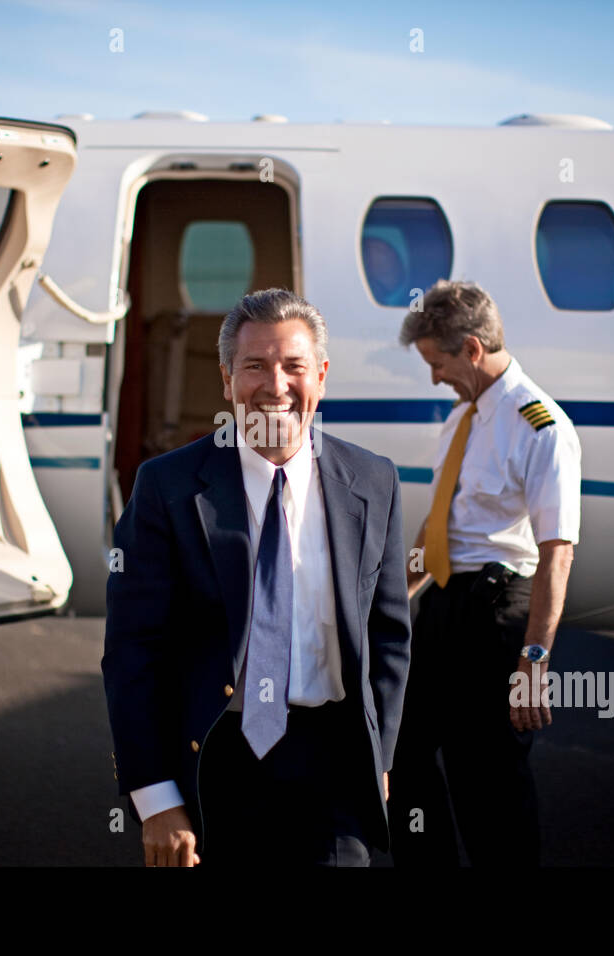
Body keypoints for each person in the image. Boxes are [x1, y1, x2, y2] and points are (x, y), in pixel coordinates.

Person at [102, 288, 412, 867]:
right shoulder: (167, 488)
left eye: (294, 365)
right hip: (216, 762)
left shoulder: (374, 482)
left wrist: (382, 757)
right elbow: (133, 650)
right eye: (254, 366)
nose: (276, 385)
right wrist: (155, 798)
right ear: (226, 379)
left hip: (334, 765)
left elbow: (389, 636)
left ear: (321, 376)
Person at [389, 279, 581, 868]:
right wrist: (392, 599)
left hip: (497, 614)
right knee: (398, 749)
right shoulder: (462, 419)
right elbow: (438, 526)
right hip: (444, 606)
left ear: (472, 349)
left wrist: (534, 661)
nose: (434, 378)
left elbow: (557, 554)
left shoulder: (540, 427)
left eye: (437, 362)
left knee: (486, 779)